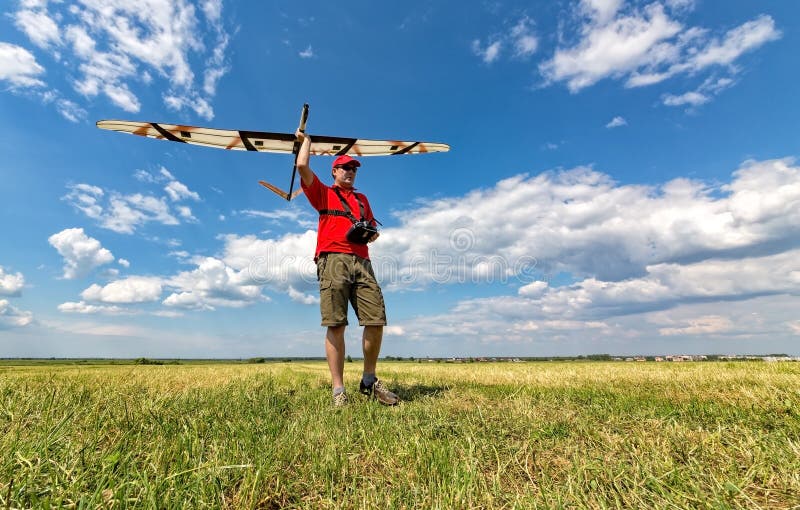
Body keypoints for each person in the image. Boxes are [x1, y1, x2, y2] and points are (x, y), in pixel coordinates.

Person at [294, 128, 399, 407]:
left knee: (376, 320)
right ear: (334, 172)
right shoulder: (322, 193)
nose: (350, 172)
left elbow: (373, 231)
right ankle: (339, 390)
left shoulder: (363, 199)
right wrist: (306, 142)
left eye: (354, 168)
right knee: (336, 324)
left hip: (362, 261)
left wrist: (370, 233)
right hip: (332, 260)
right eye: (344, 168)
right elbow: (302, 165)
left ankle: (369, 380)